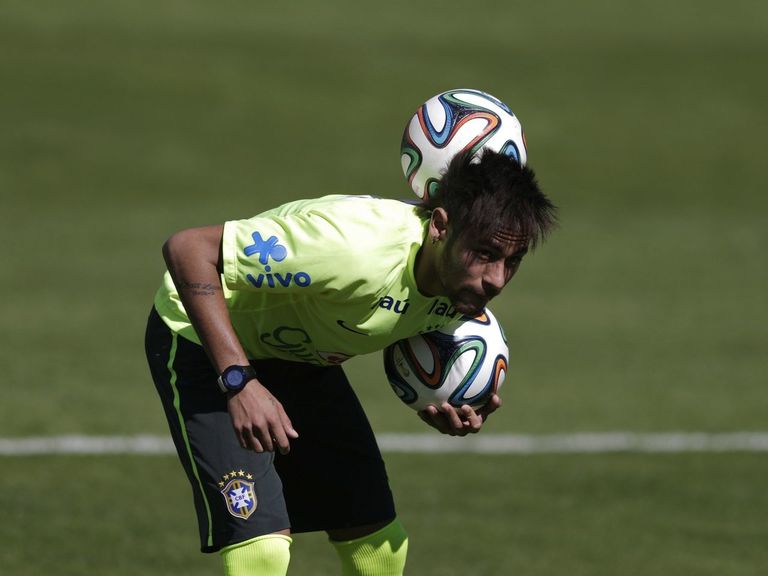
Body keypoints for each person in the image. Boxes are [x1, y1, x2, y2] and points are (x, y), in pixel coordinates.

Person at [144, 149, 557, 576]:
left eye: (513, 261)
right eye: (486, 253)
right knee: (262, 552)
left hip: (299, 356)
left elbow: (401, 320)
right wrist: (238, 381)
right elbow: (188, 250)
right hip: (206, 342)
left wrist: (442, 399)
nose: (496, 279)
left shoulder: (463, 294)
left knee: (380, 546)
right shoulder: (350, 248)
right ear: (439, 226)